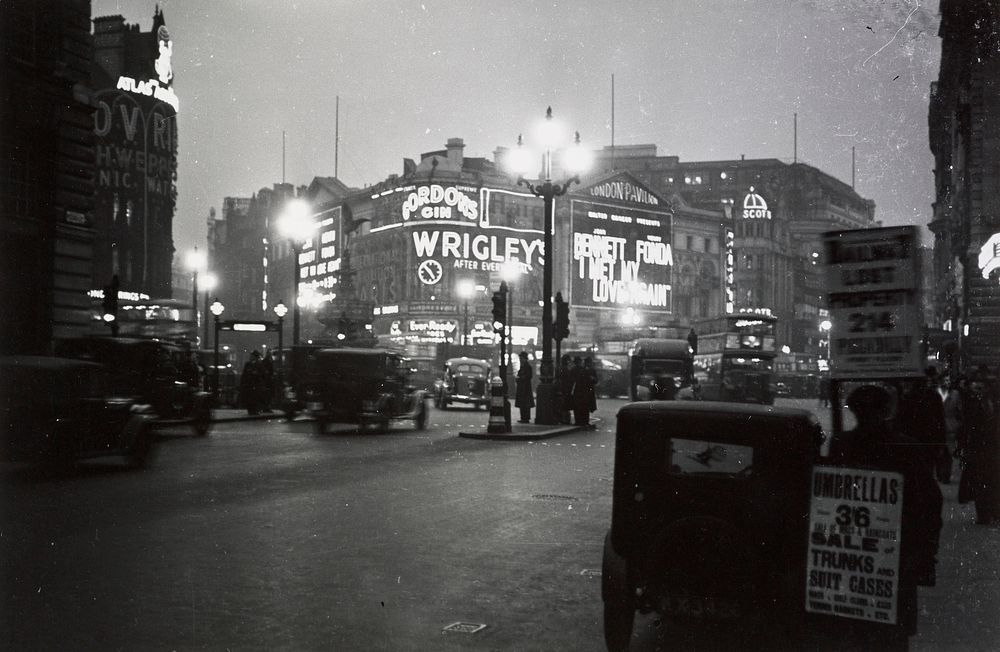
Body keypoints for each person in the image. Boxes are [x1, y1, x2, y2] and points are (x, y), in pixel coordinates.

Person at [824, 384, 943, 651]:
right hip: (894, 555)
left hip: (852, 555)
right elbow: (929, 504)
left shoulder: (842, 444)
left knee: (853, 631)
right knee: (891, 634)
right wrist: (926, 553)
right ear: (887, 410)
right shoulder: (905, 447)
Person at [957, 366, 1000, 525]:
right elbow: (966, 426)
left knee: (993, 481)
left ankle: (994, 513)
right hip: (978, 449)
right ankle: (984, 515)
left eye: (983, 387)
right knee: (981, 482)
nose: (980, 390)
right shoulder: (971, 404)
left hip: (992, 448)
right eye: (977, 387)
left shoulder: (993, 402)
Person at [894, 368, 949, 480]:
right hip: (925, 442)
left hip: (916, 442)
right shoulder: (933, 396)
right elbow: (940, 421)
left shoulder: (908, 397)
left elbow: (900, 421)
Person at [240, 351, 265, 415]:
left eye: (252, 356)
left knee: (255, 397)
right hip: (249, 384)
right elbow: (244, 374)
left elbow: (262, 373)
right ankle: (250, 410)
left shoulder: (259, 364)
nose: (251, 357)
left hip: (256, 383)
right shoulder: (248, 364)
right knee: (249, 397)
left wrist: (255, 374)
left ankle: (254, 410)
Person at [514, 351, 535, 423]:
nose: (520, 359)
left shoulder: (527, 366)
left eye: (521, 358)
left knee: (525, 404)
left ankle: (525, 418)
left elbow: (528, 376)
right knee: (523, 404)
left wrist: (520, 378)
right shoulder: (523, 366)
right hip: (523, 388)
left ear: (524, 358)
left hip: (525, 388)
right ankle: (523, 418)